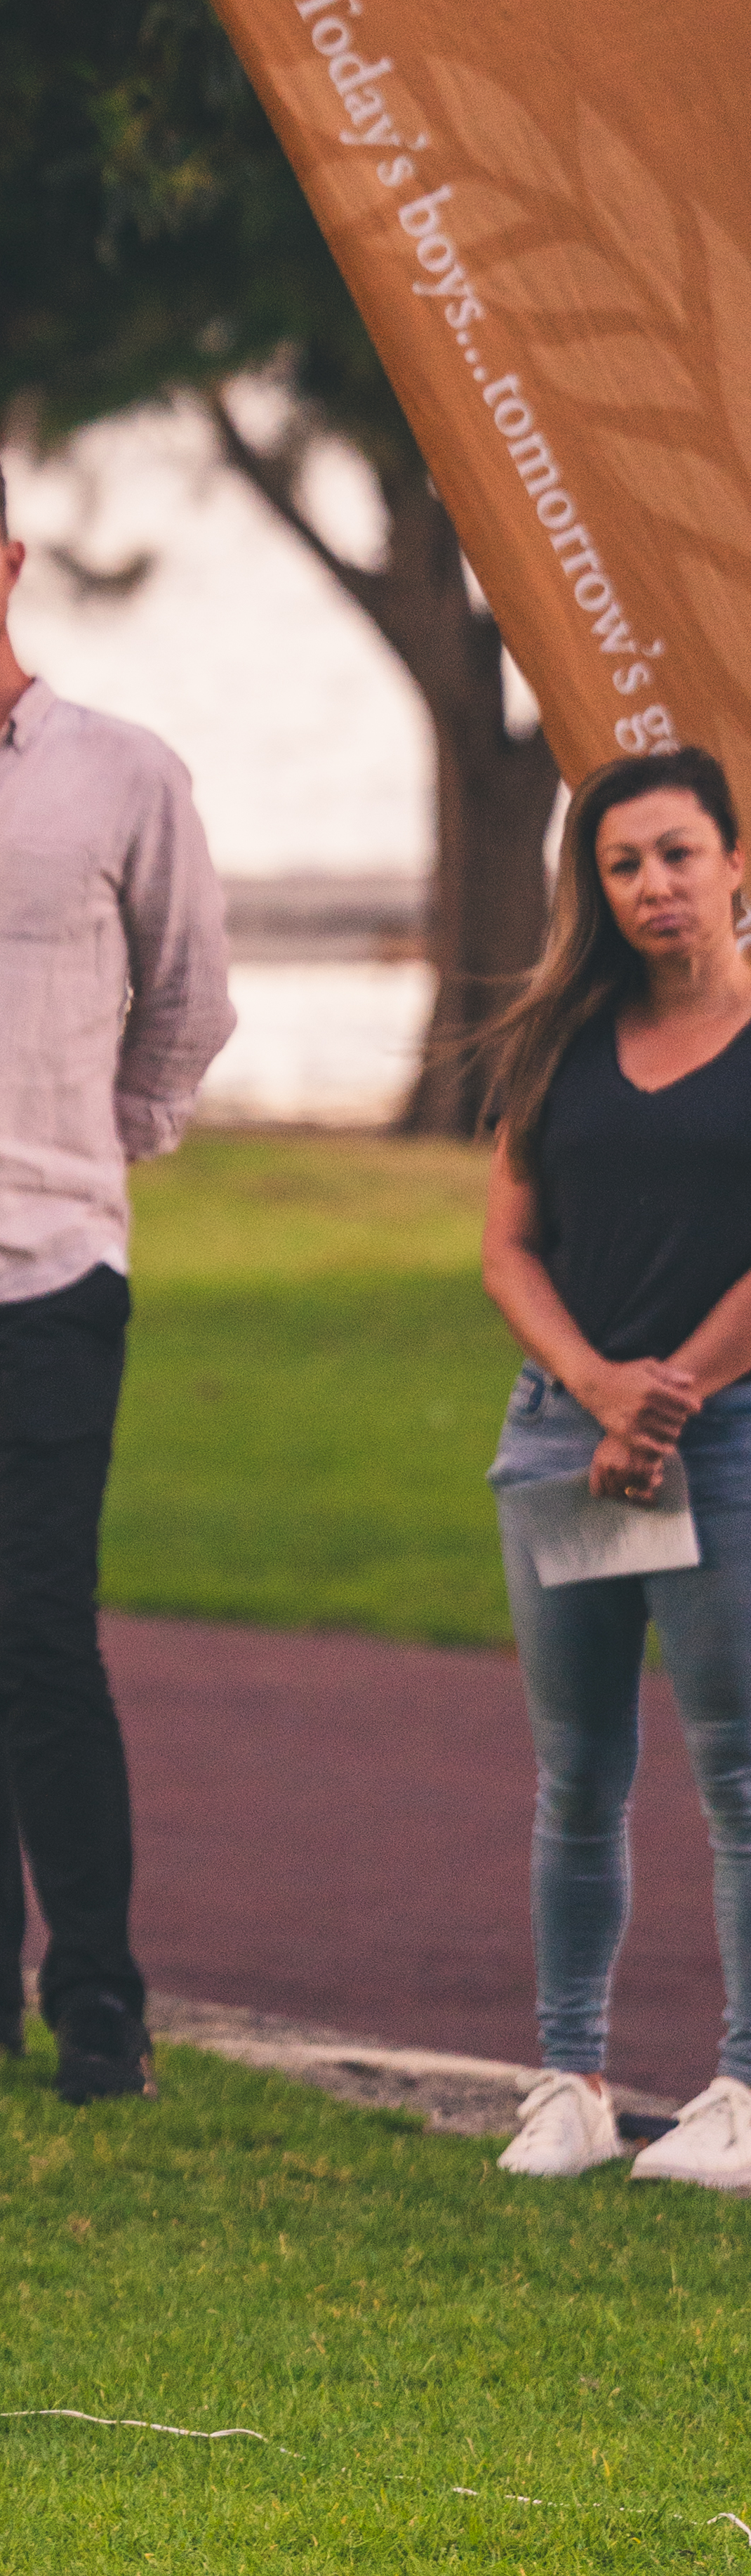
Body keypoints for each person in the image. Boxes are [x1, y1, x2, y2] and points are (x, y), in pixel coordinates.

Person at [0, 427, 234, 2105]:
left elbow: (190, 993)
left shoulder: (123, 773)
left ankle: (98, 2000)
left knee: (31, 1632)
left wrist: (99, 1144)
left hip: (53, 1270)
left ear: (13, 563)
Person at [471, 748, 751, 2192]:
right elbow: (505, 1240)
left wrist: (670, 1395)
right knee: (577, 1774)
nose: (652, 883)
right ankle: (569, 2083)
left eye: (677, 853)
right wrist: (598, 1391)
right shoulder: (561, 1031)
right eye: (623, 860)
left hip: (725, 1439)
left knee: (739, 1772)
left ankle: (743, 2094)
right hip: (567, 1435)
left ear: (735, 861)